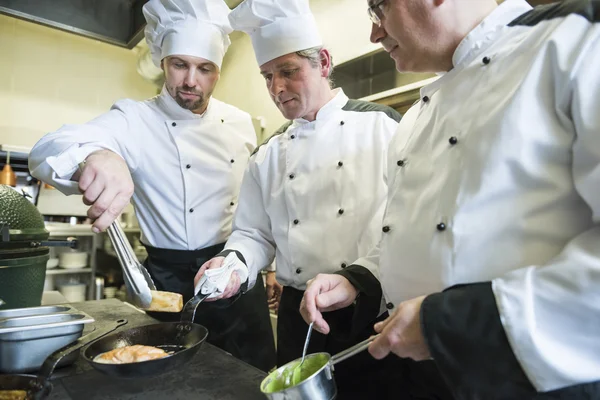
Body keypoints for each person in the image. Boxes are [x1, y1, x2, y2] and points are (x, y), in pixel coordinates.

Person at [301, 0, 600, 398]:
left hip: (524, 377)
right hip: (421, 374)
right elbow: (408, 236)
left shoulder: (574, 39)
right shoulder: (415, 118)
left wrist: (452, 325)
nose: (374, 33)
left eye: (378, 10)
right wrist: (357, 279)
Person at [28, 0, 275, 372]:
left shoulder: (240, 123)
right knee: (170, 379)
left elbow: (256, 204)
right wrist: (96, 155)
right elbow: (46, 150)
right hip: (167, 281)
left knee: (253, 374)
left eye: (204, 68)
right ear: (162, 61)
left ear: (218, 73)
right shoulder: (134, 118)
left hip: (233, 271)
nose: (191, 80)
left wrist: (264, 266)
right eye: (180, 64)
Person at [194, 0, 406, 396]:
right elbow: (253, 234)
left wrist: (359, 280)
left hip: (369, 307)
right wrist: (233, 265)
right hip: (298, 318)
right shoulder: (268, 154)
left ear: (323, 62)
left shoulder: (383, 128)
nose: (276, 88)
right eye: (267, 76)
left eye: (288, 72)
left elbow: (409, 222)